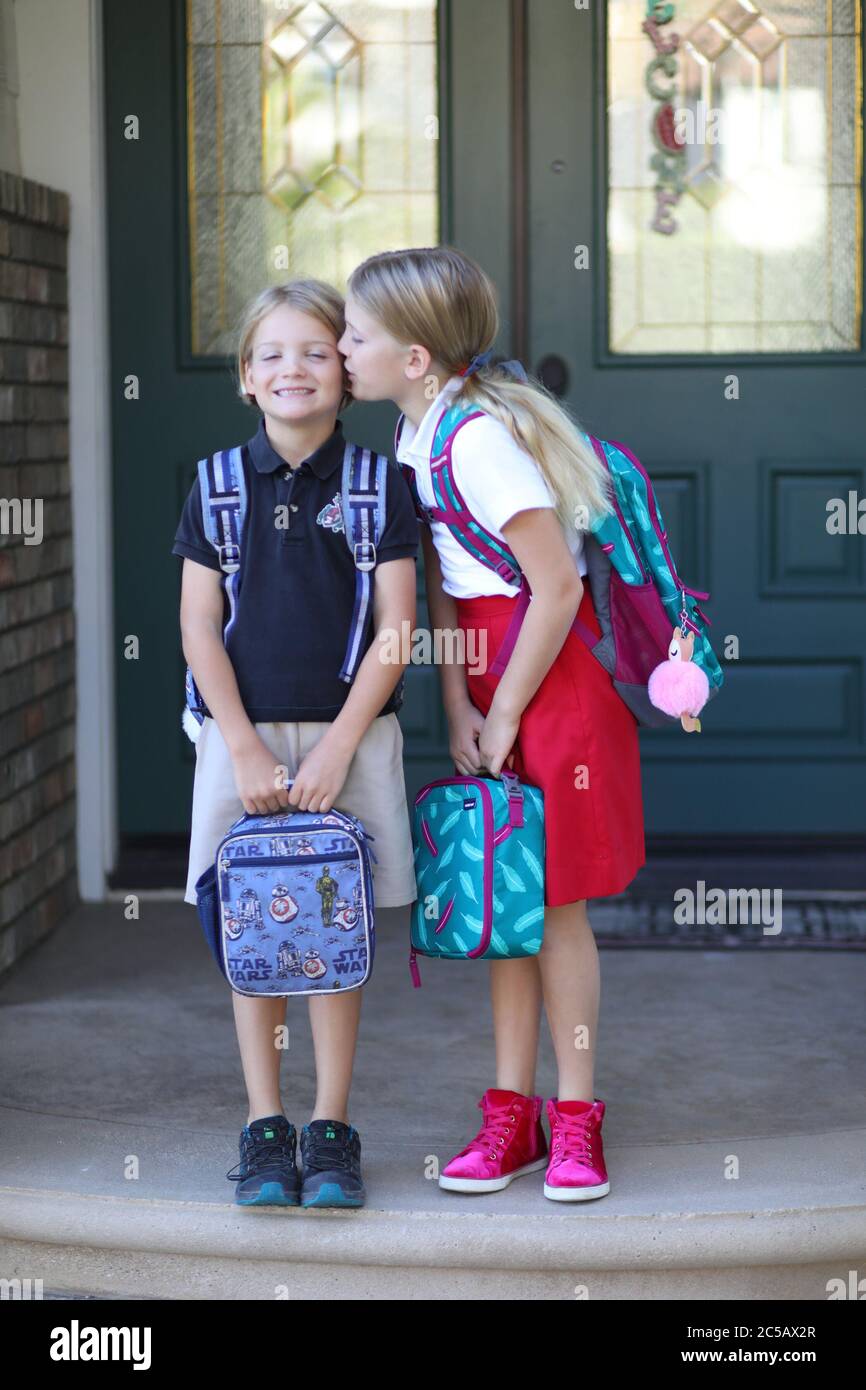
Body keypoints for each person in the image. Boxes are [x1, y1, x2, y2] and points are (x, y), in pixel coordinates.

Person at [338, 246, 646, 1201]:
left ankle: (577, 1120)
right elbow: (441, 586)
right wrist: (458, 700)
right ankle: (509, 1117)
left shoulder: (475, 439)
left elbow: (554, 585)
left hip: (545, 677)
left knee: (555, 906)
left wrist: (506, 705)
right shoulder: (414, 434)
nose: (342, 348)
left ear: (417, 357)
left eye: (357, 335)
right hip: (490, 670)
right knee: (501, 897)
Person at [172, 280, 419, 1207]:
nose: (294, 369)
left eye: (317, 351)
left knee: (331, 931)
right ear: (246, 376)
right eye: (272, 354)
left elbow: (397, 629)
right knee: (256, 930)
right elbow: (200, 628)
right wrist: (240, 747)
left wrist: (336, 750)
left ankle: (330, 1125)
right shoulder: (214, 485)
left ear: (346, 375)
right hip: (243, 740)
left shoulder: (380, 486)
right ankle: (265, 1126)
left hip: (347, 740)